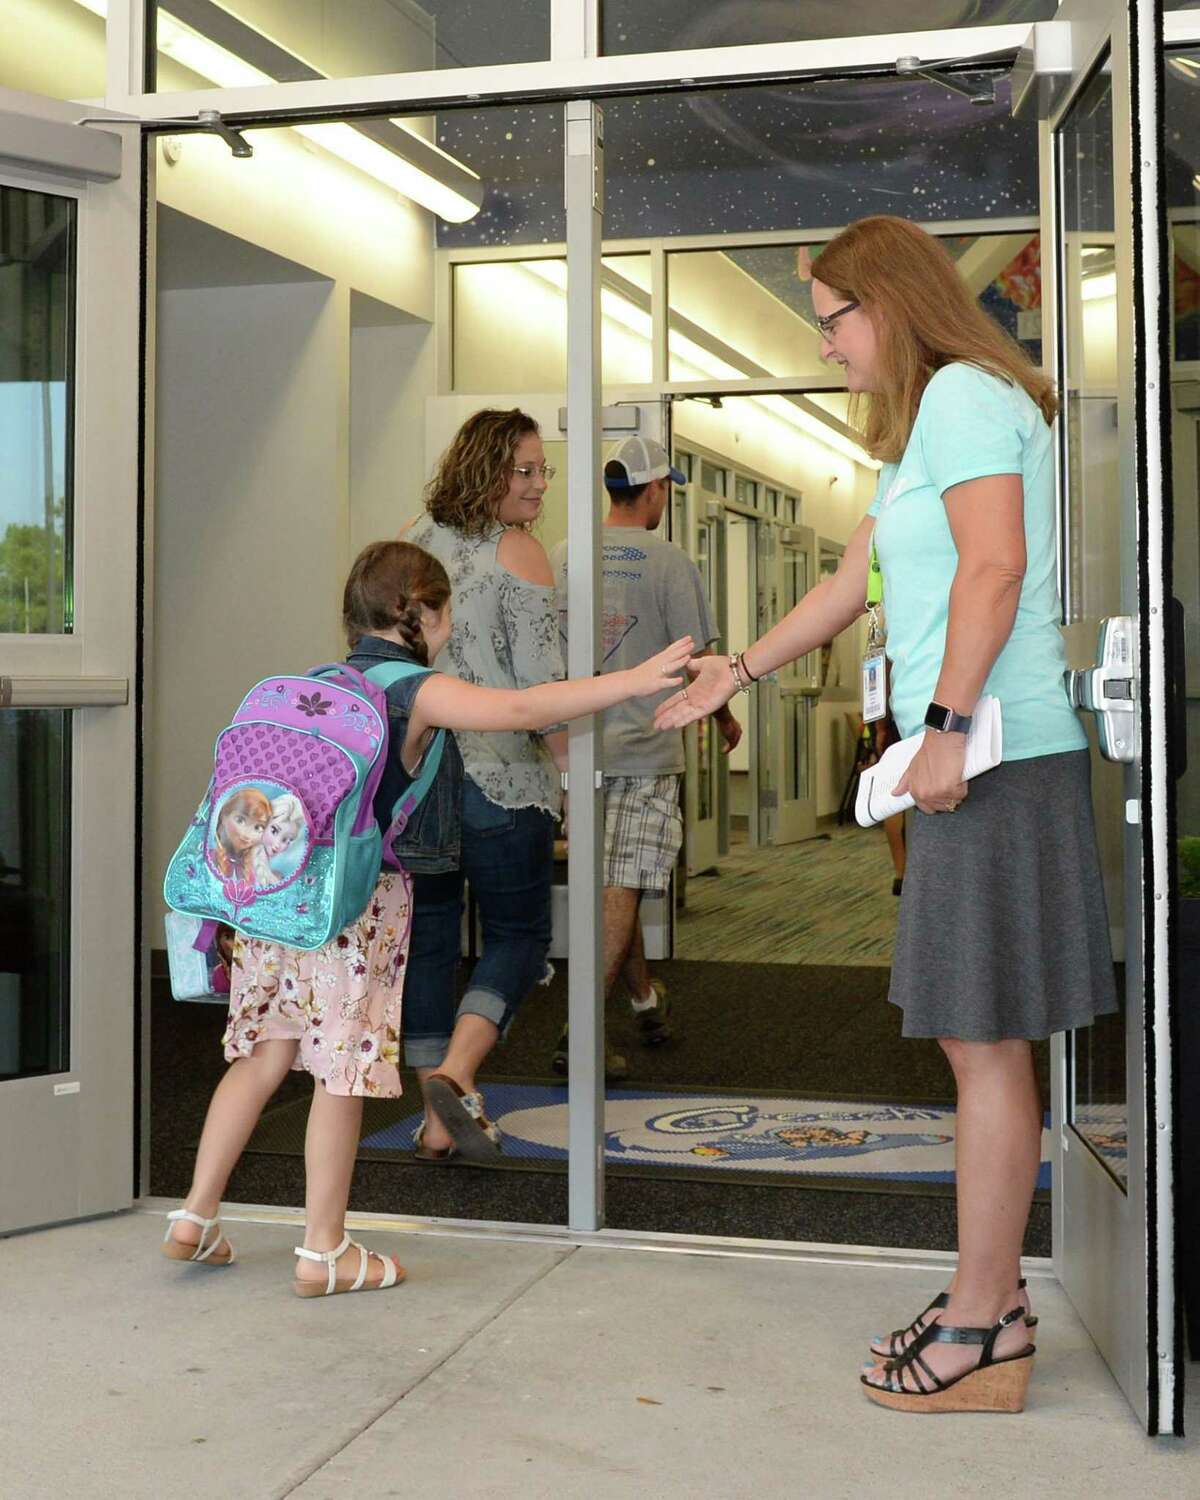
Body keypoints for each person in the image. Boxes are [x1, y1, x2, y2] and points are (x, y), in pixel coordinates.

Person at [656, 214, 1116, 1413]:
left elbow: (995, 567)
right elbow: (849, 582)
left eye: (836, 322)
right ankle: (995, 1299)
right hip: (973, 757)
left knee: (982, 1042)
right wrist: (737, 671)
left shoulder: (966, 394)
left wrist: (949, 728)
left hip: (994, 759)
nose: (830, 349)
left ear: (892, 305)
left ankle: (983, 1324)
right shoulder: (923, 433)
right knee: (984, 1042)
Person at [161, 538, 694, 1291]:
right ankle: (325, 1250)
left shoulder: (315, 684)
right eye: (445, 615)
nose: (450, 629)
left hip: (274, 898)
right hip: (354, 906)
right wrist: (632, 680)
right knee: (340, 1076)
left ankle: (195, 1214)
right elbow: (519, 708)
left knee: (262, 1057)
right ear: (421, 613)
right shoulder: (410, 689)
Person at [399, 409, 569, 1162]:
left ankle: (435, 1116)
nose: (537, 486)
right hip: (503, 778)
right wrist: (570, 775)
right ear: (487, 469)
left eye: (543, 471)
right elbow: (543, 686)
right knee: (518, 936)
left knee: (430, 943)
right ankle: (459, 1077)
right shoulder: (521, 553)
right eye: (523, 471)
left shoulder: (414, 540)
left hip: (424, 777)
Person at [550, 435, 741, 1077]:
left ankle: (643, 1001)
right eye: (667, 489)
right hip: (645, 749)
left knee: (610, 883)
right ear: (655, 489)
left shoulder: (563, 556)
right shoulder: (669, 562)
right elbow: (697, 662)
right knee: (622, 884)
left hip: (574, 752)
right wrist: (725, 716)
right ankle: (582, 1030)